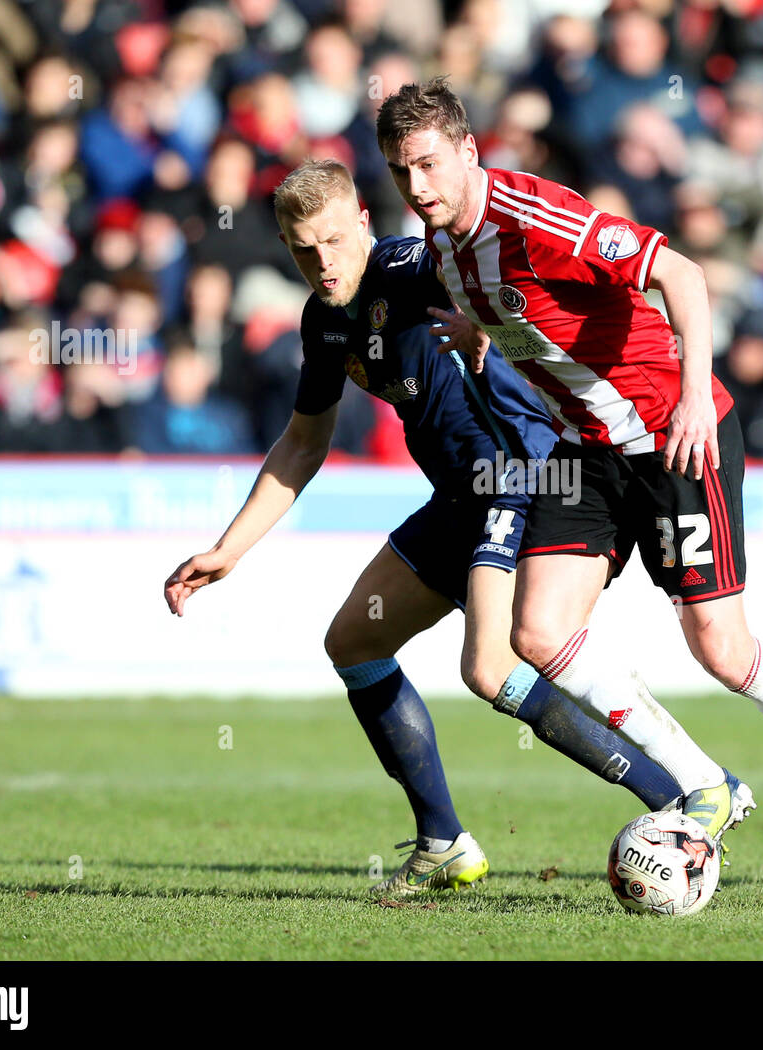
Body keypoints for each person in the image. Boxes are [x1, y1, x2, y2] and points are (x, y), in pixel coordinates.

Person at [377, 78, 763, 874]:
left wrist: (697, 397)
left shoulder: (534, 215)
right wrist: (482, 330)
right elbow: (532, 310)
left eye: (427, 164)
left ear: (467, 151)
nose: (416, 186)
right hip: (584, 449)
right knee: (536, 633)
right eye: (400, 171)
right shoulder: (445, 253)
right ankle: (703, 785)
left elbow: (685, 276)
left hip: (672, 434)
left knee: (722, 649)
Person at [163, 159, 704, 895]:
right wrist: (231, 549)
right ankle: (444, 841)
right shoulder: (325, 324)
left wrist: (490, 333)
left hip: (521, 473)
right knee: (353, 640)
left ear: (362, 223)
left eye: (332, 240)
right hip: (461, 496)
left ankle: (679, 800)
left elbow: (521, 312)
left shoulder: (411, 264)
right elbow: (302, 443)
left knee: (488, 666)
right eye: (301, 249)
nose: (322, 262)